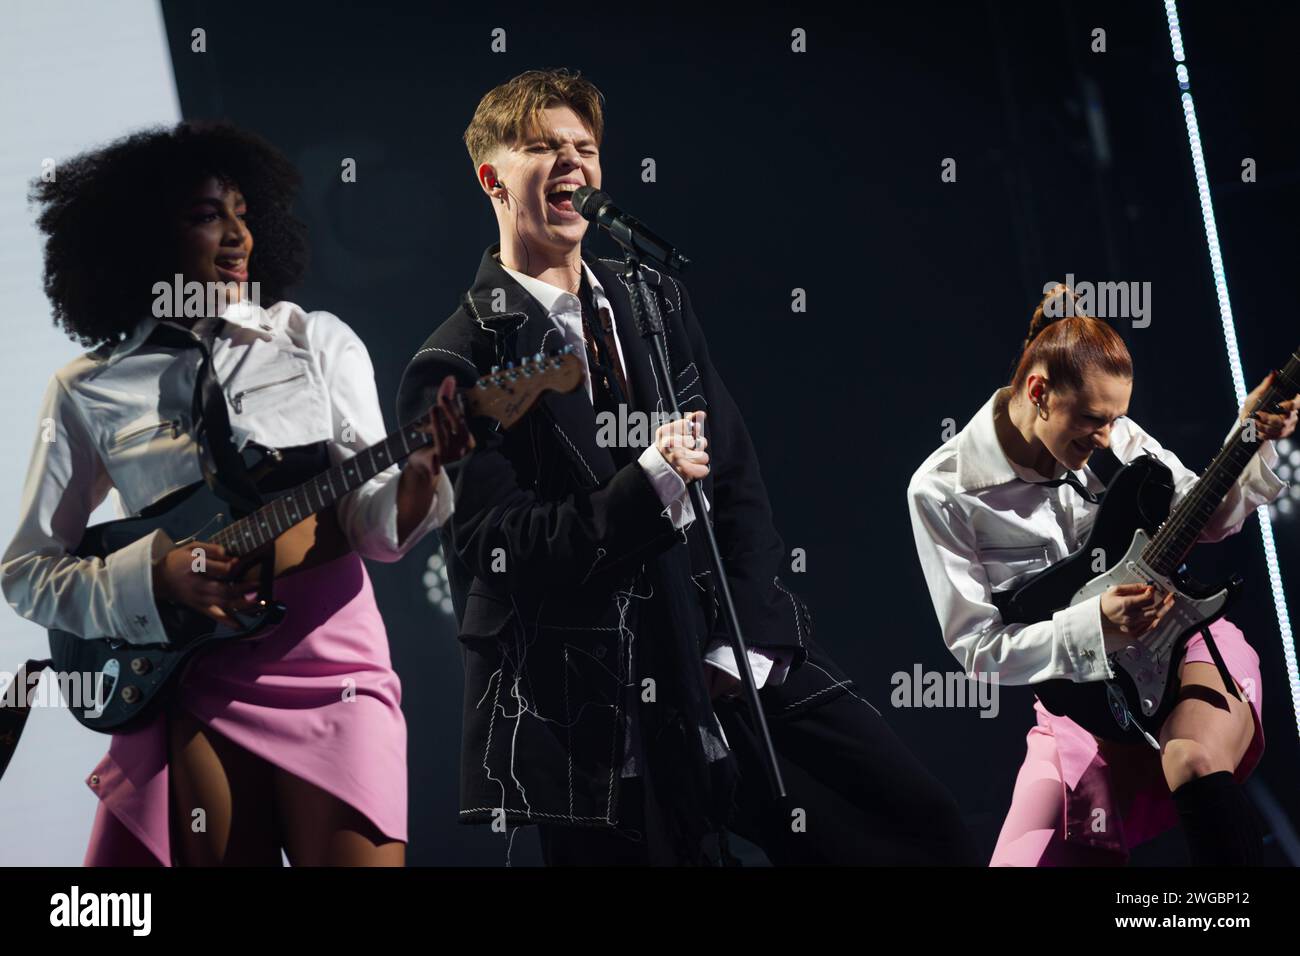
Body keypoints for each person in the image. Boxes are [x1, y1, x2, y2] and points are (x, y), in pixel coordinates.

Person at [397, 68, 976, 865]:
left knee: (916, 828)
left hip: (726, 650)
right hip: (592, 708)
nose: (572, 164)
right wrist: (650, 484)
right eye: (543, 147)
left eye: (585, 148)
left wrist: (750, 637)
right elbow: (504, 550)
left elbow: (738, 483)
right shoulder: (458, 360)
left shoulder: (653, 301)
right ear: (492, 177)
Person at [2, 122, 470, 866]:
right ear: (143, 237)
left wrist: (421, 474)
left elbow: (377, 532)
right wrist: (150, 578)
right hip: (199, 677)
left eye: (244, 214)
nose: (235, 236)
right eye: (205, 215)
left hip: (336, 672)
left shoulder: (316, 342)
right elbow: (26, 573)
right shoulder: (88, 389)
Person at [907, 284, 1296, 865]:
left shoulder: (1114, 433)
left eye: (1115, 419)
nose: (1106, 437)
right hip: (1082, 706)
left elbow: (1203, 518)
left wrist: (1247, 439)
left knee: (1191, 758)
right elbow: (979, 649)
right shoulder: (943, 491)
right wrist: (1095, 626)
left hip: (1182, 648)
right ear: (1038, 392)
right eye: (1091, 420)